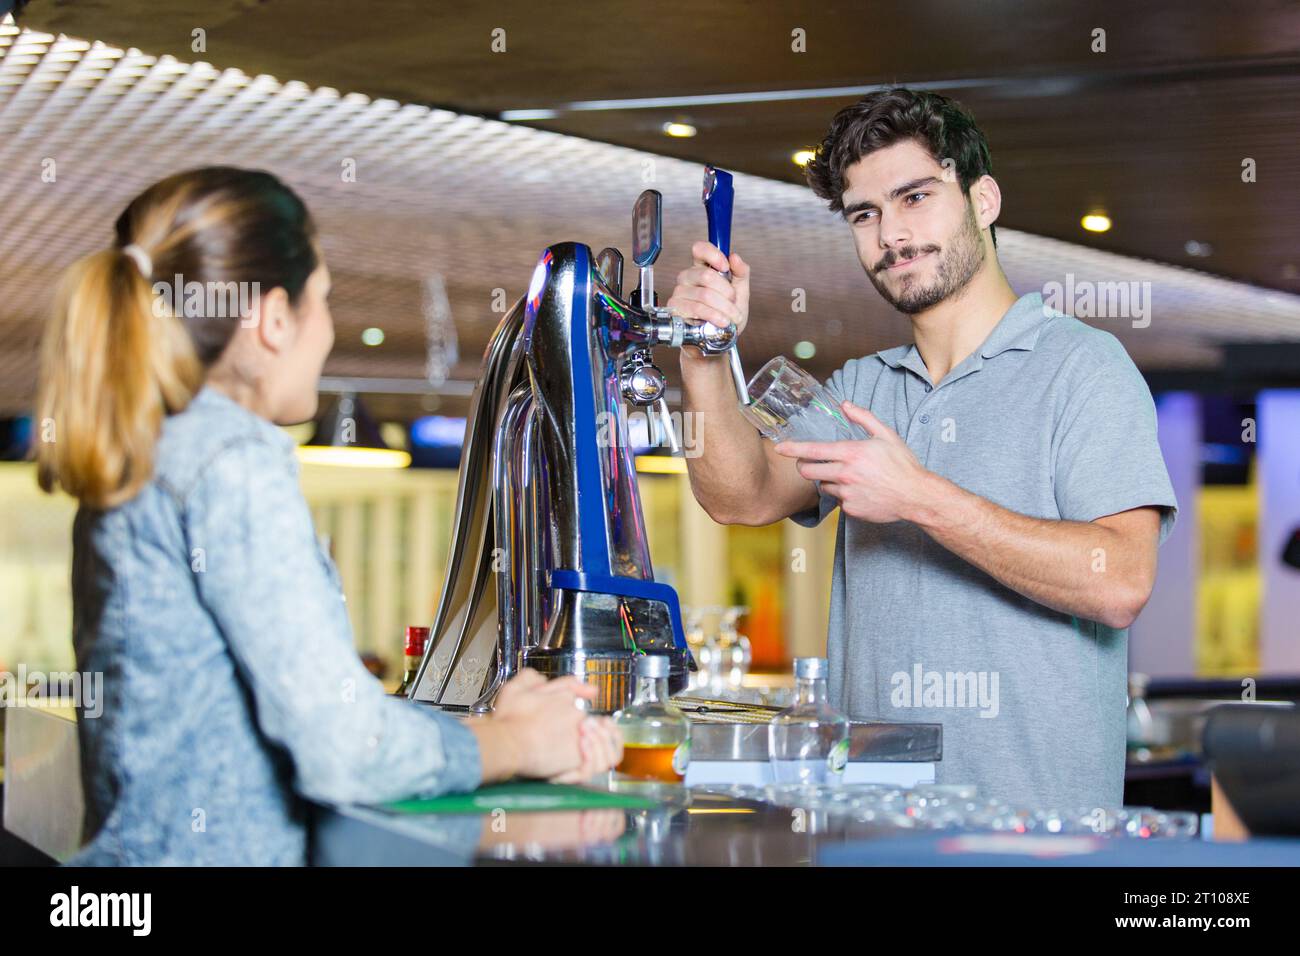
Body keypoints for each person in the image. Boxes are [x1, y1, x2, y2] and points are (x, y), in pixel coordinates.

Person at [35, 166, 622, 865]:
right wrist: (520, 742)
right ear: (273, 320)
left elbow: (284, 718)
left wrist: (494, 727)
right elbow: (344, 750)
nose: (328, 332)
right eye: (323, 301)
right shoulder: (230, 459)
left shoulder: (150, 445)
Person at [669, 88, 1177, 810]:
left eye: (915, 197)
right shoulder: (862, 388)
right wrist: (705, 354)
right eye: (865, 215)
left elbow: (1121, 580)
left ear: (984, 199)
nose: (892, 235)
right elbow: (739, 494)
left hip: (1033, 844)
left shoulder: (1084, 368)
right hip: (868, 834)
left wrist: (919, 497)